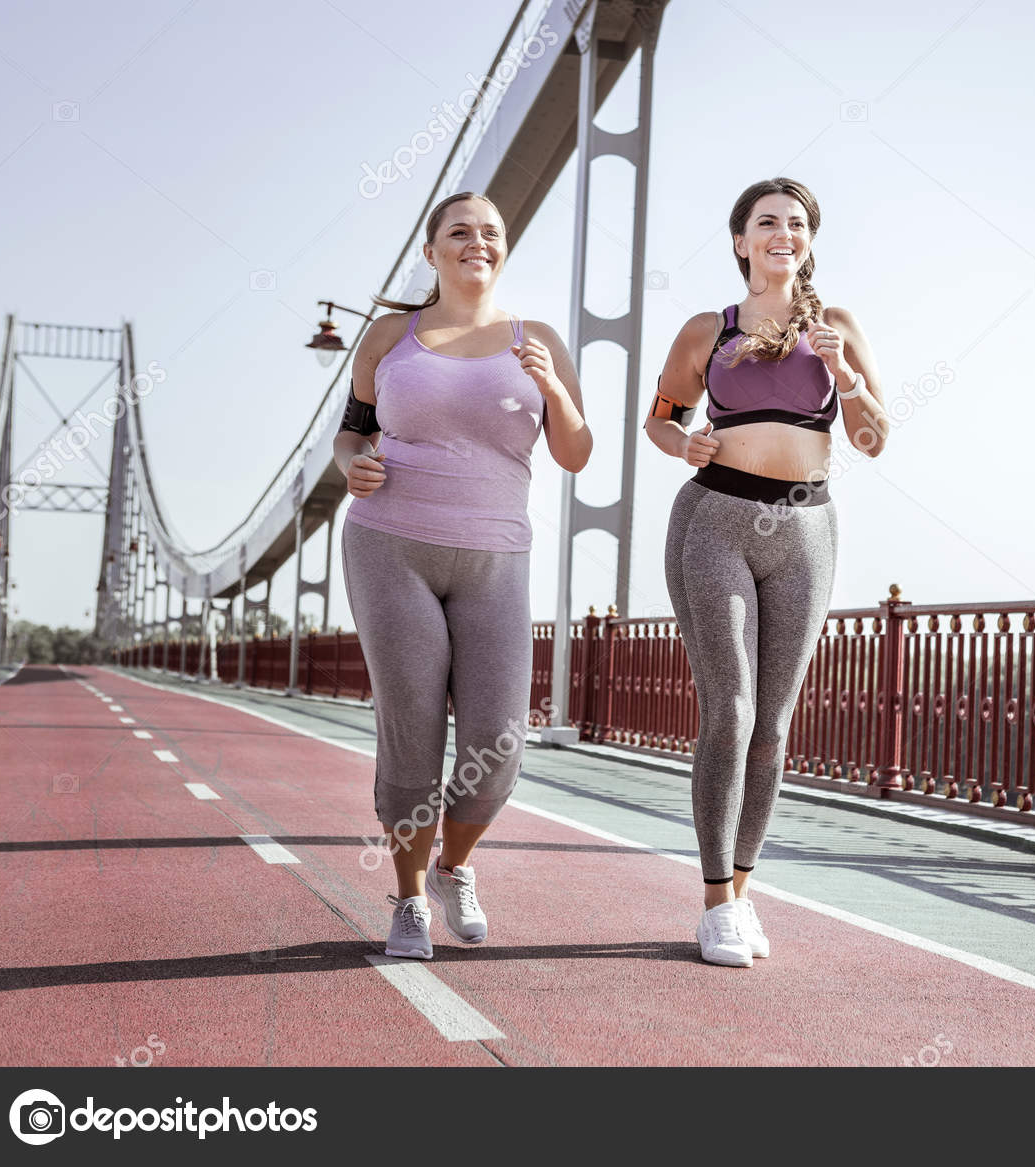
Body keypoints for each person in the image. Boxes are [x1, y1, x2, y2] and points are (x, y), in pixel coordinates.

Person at [335, 191, 591, 958]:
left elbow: (576, 454)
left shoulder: (536, 337)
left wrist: (550, 387)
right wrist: (355, 468)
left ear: (503, 247)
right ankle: (410, 899)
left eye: (490, 231)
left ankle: (455, 867)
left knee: (498, 738)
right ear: (432, 251)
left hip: (496, 556)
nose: (476, 241)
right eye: (460, 231)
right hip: (390, 544)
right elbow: (349, 436)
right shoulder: (391, 335)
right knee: (411, 729)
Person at [645, 177, 888, 966]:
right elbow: (661, 417)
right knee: (733, 707)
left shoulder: (838, 325)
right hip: (716, 518)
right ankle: (714, 902)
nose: (781, 232)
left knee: (775, 722)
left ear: (808, 241)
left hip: (806, 527)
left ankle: (744, 892)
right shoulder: (705, 331)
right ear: (742, 241)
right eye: (766, 222)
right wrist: (682, 442)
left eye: (796, 223)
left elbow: (876, 438)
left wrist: (844, 373)